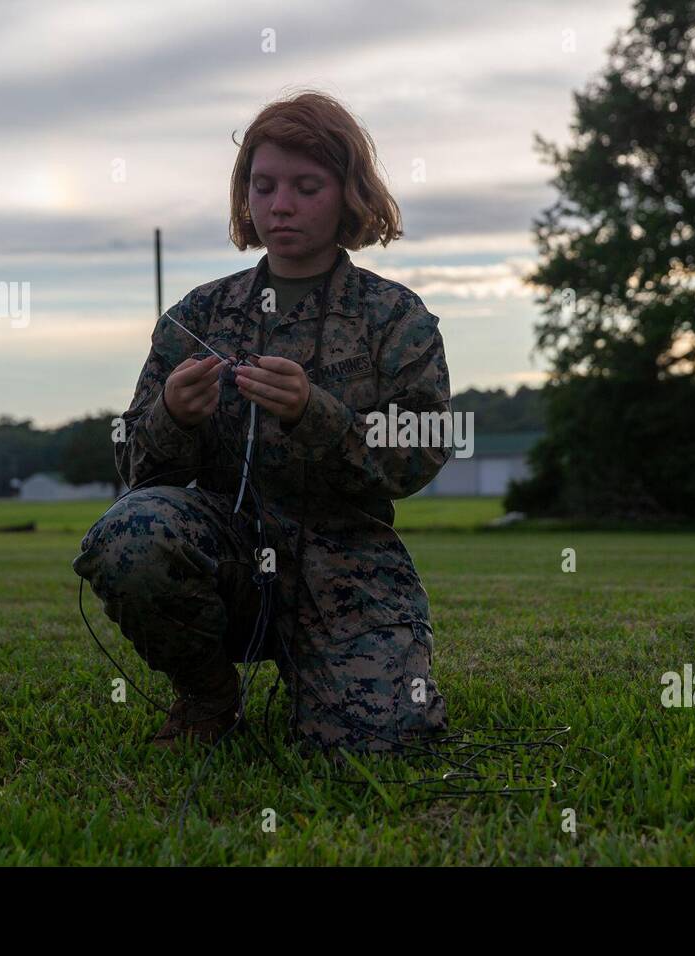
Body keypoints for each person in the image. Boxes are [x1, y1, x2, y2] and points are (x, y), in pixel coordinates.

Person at [72, 90, 452, 754]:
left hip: (347, 567)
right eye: (264, 184)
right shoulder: (198, 316)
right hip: (232, 559)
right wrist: (172, 418)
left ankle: (339, 678)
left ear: (347, 194)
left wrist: (317, 413)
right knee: (130, 534)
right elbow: (138, 471)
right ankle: (210, 697)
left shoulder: (394, 316)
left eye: (307, 187)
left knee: (382, 741)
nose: (281, 205)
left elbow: (417, 454)